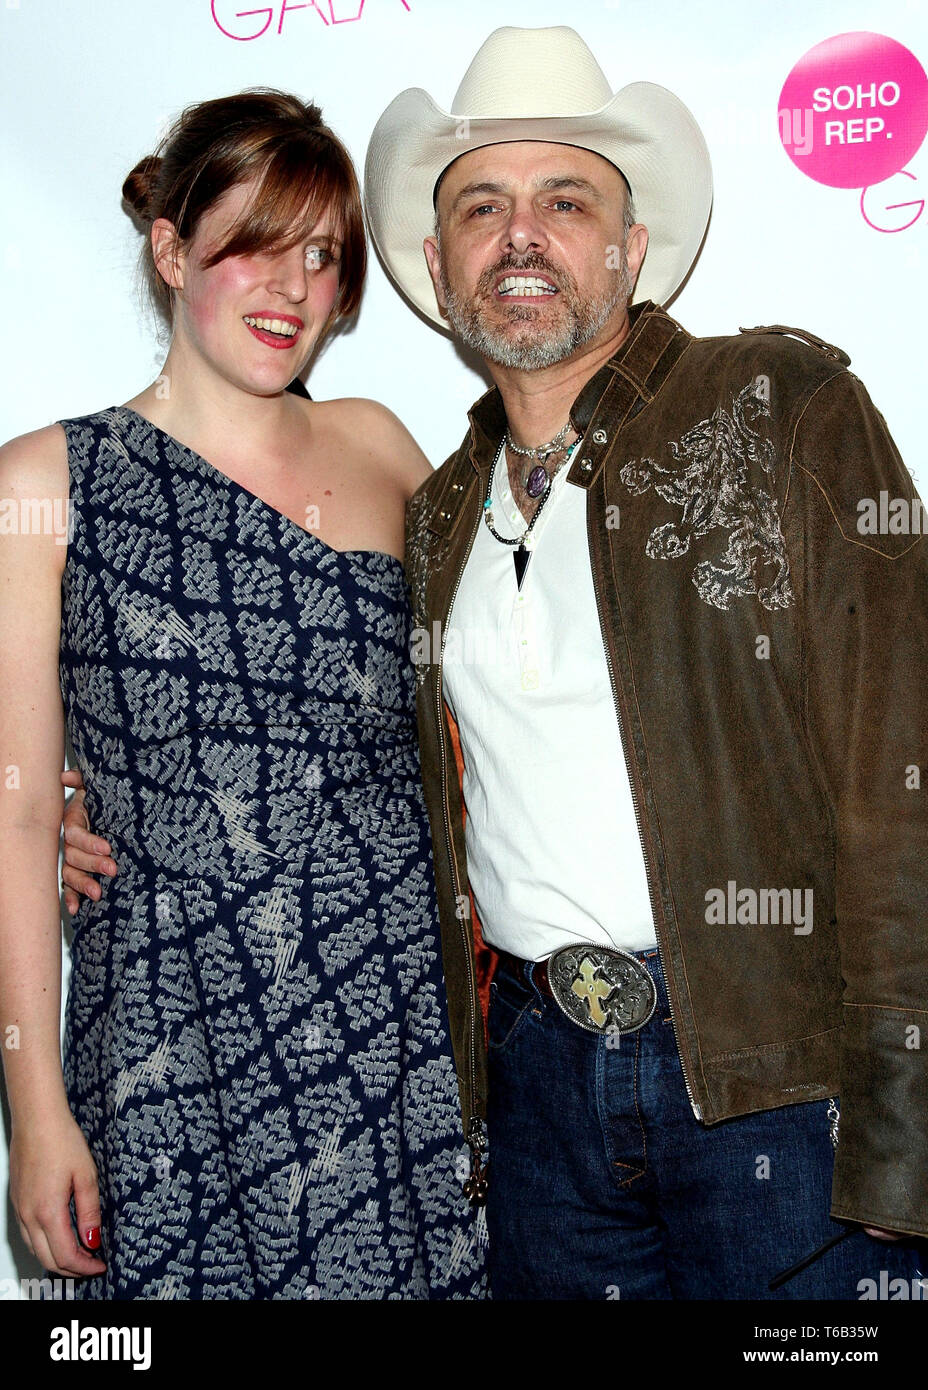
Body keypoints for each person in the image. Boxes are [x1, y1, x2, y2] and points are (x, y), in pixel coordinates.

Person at [62, 29, 928, 1300]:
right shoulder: (433, 505)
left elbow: (900, 778)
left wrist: (904, 1147)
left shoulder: (777, 404)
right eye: (482, 205)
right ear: (436, 263)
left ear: (631, 248)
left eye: (565, 199)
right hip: (531, 1108)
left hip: (774, 1097)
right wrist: (68, 793)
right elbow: (297, 714)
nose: (521, 233)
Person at [0, 88, 485, 1300]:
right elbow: (14, 816)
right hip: (173, 1030)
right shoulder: (45, 482)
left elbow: (490, 709)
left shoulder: (381, 446)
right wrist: (37, 1114)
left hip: (396, 1022)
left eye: (322, 256)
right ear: (172, 249)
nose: (292, 289)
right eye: (255, 245)